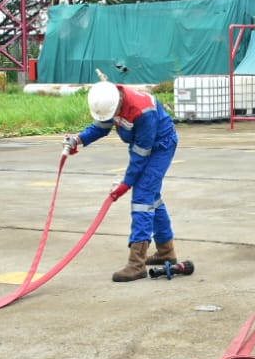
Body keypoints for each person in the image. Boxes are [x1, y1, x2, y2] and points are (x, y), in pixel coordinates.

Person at [64, 73, 184, 282]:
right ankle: (166, 251)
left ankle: (136, 264)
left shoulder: (142, 110)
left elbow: (141, 154)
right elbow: (100, 127)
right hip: (144, 146)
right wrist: (78, 140)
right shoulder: (111, 99)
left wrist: (125, 184)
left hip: (160, 147)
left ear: (119, 102)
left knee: (142, 199)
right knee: (152, 199)